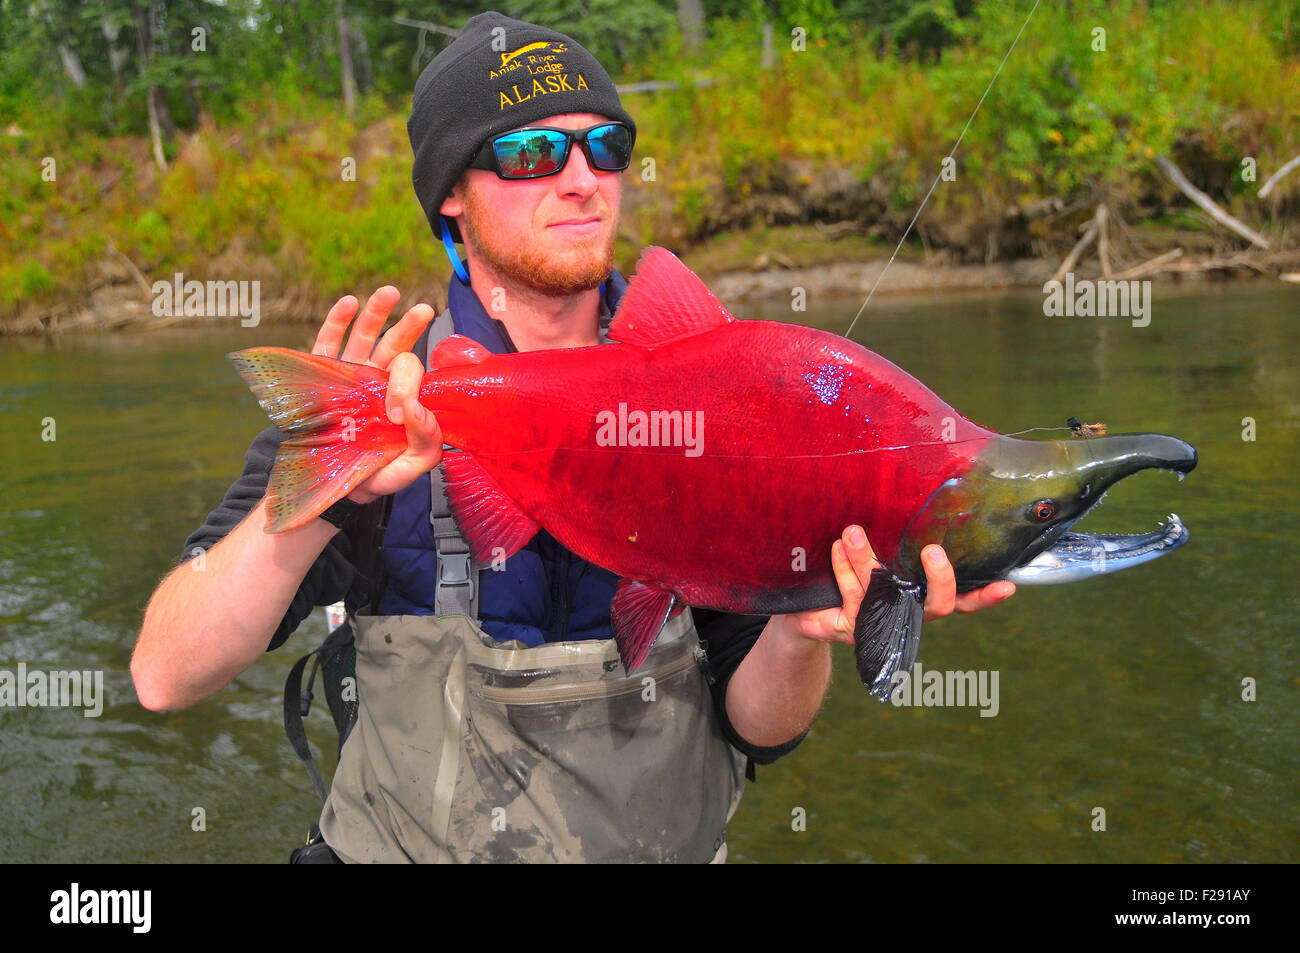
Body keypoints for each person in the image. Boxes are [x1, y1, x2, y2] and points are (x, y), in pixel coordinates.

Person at [131, 11, 1015, 863]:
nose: (583, 179)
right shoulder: (394, 401)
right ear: (450, 193)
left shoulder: (724, 397)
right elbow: (166, 674)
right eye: (530, 151)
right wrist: (332, 495)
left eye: (607, 145)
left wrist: (798, 627)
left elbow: (760, 729)